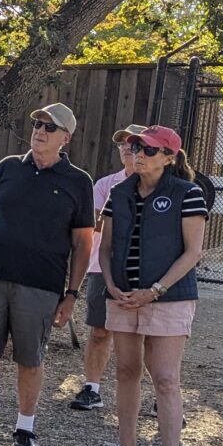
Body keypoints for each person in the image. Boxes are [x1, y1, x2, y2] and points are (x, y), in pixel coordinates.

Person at [0, 102, 94, 446]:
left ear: (66, 137)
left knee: (30, 358)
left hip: (40, 284)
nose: (40, 131)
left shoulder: (78, 182)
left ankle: (25, 431)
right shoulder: (6, 168)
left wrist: (72, 293)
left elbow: (83, 243)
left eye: (50, 127)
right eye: (37, 123)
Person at [85, 126, 206, 446]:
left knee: (166, 378)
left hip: (168, 298)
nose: (138, 154)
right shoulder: (119, 193)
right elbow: (104, 247)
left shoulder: (188, 193)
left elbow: (193, 252)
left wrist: (155, 291)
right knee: (125, 371)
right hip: (122, 296)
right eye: (135, 147)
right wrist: (111, 282)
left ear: (170, 157)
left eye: (149, 150)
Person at [67, 125, 144, 411]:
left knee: (149, 334)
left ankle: (160, 397)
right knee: (100, 330)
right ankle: (92, 388)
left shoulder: (163, 185)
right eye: (122, 143)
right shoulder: (104, 185)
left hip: (146, 270)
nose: (126, 147)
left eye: (133, 143)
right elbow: (94, 223)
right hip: (103, 265)